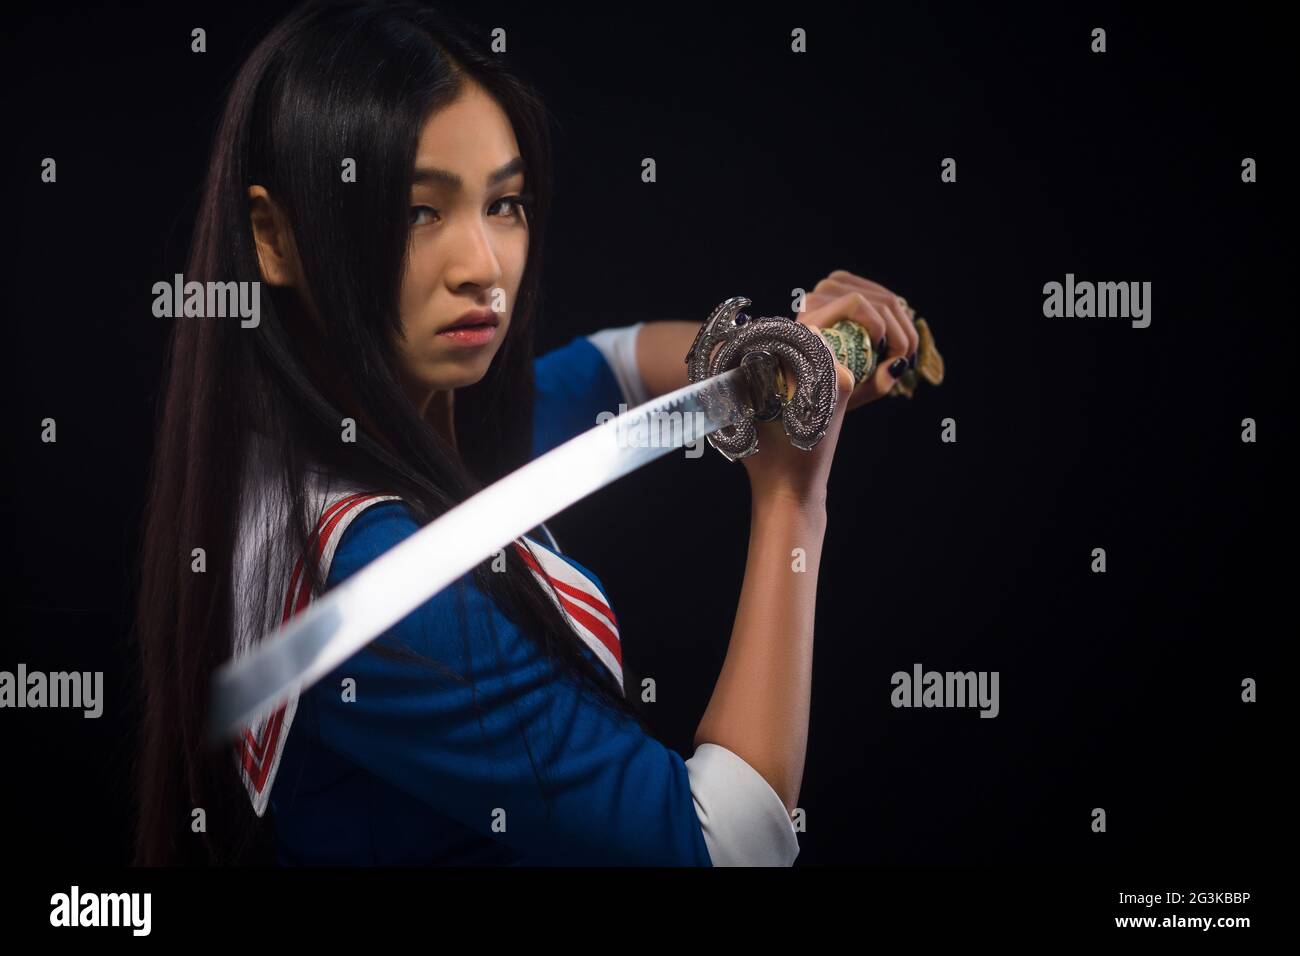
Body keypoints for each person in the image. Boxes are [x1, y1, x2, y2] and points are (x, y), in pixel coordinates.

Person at [132, 0, 919, 867]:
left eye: (503, 203)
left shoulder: (403, 426)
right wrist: (792, 505)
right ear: (273, 239)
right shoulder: (374, 582)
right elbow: (731, 845)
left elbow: (610, 365)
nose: (482, 266)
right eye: (417, 211)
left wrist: (752, 358)